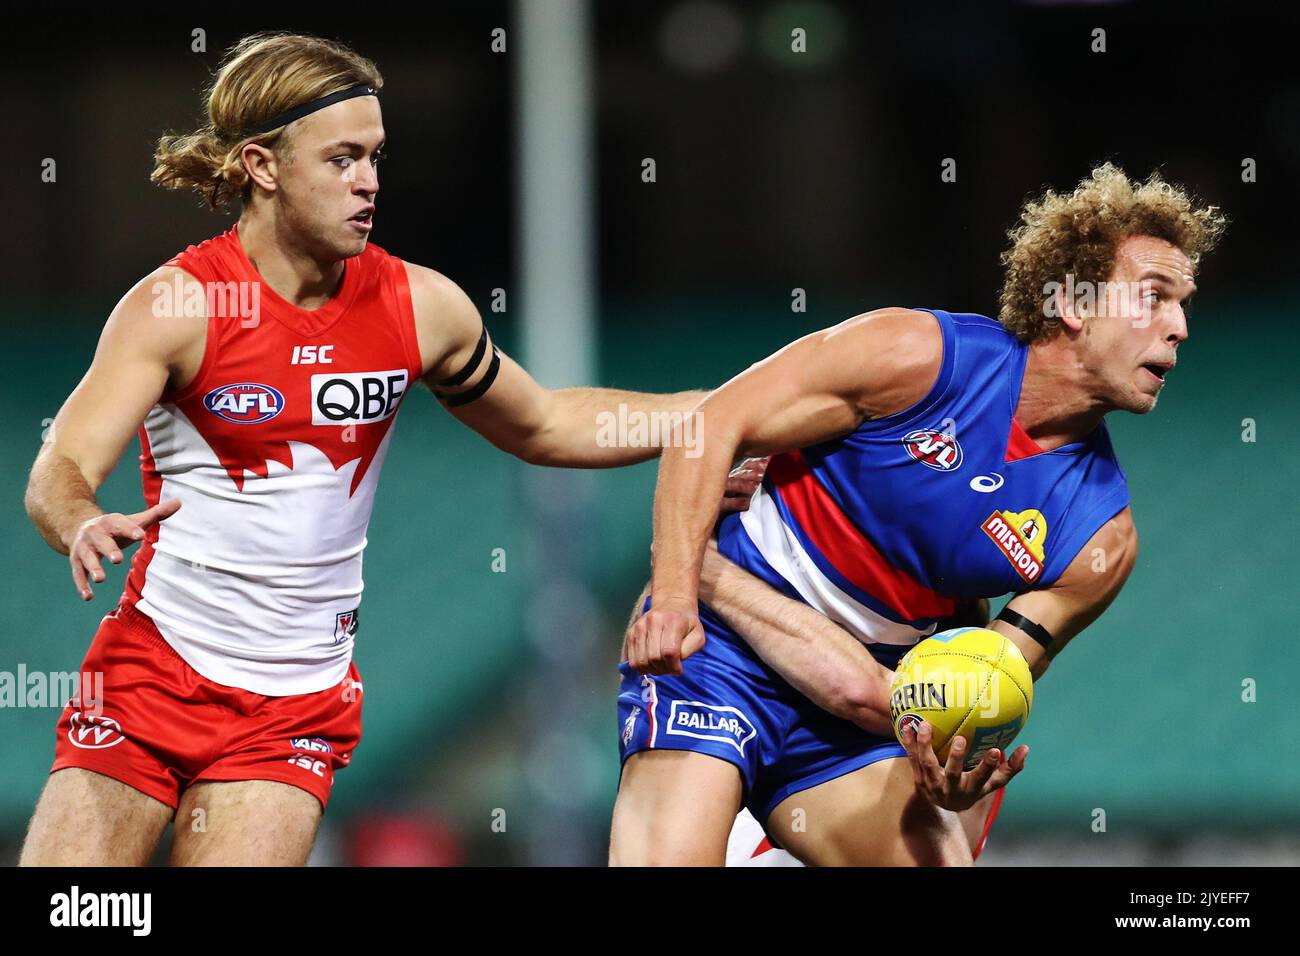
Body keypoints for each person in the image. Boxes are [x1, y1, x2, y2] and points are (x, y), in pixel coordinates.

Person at [21, 32, 719, 866]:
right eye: (343, 159)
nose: (371, 182)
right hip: (151, 674)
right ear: (262, 165)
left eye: (376, 157)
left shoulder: (421, 307)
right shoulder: (178, 306)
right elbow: (57, 469)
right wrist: (81, 519)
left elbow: (545, 425)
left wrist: (721, 412)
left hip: (296, 706)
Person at [611, 163, 1226, 865]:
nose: (1178, 326)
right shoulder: (915, 355)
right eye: (1153, 297)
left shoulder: (1101, 541)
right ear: (1075, 303)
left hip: (859, 708)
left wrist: (954, 759)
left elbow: (961, 693)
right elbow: (708, 426)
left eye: (1183, 304)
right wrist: (681, 593)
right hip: (718, 651)